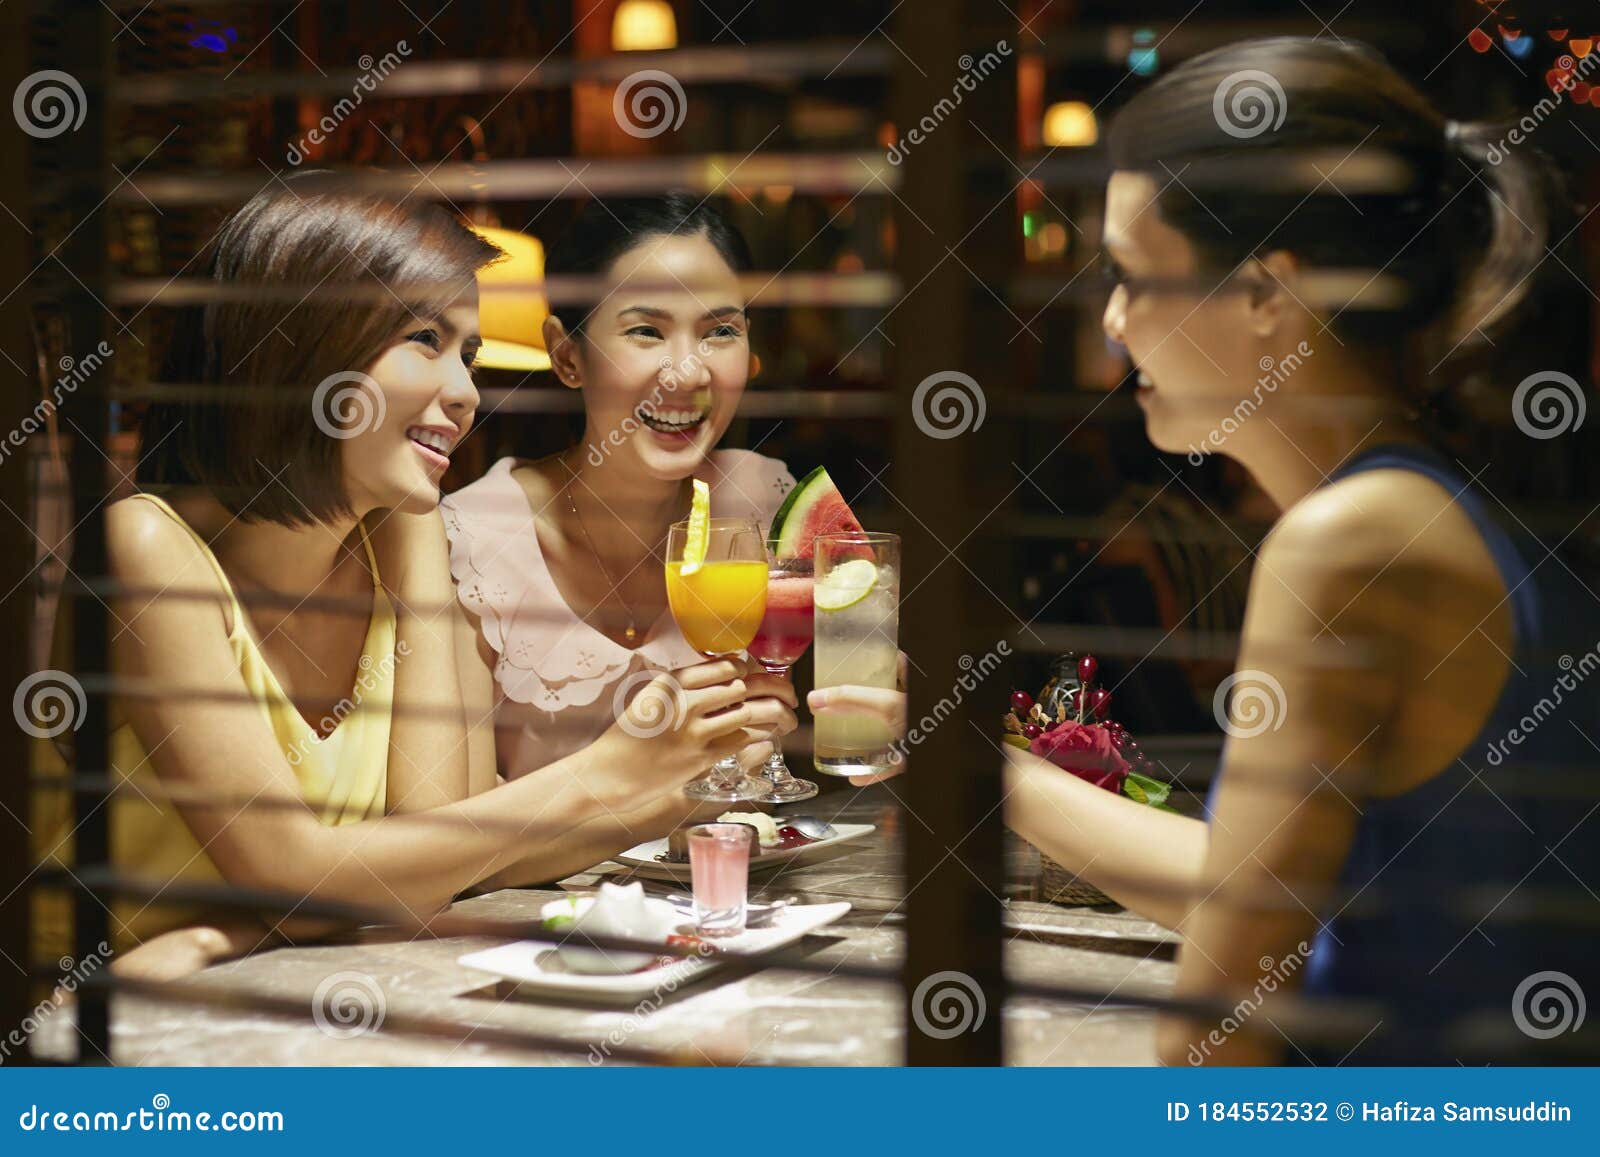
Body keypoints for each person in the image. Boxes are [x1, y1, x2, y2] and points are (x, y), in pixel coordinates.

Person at [1003, 37, 1599, 1064]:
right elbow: (1252, 884)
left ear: (1265, 295)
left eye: (1133, 275)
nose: (1112, 322)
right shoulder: (1413, 501)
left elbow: (1218, 1039)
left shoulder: (1345, 545)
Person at [37, 182, 777, 954]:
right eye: (425, 338)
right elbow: (291, 882)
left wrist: (673, 784)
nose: (465, 392)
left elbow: (438, 856)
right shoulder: (142, 550)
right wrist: (610, 768)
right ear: (304, 344)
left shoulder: (403, 533)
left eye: (469, 355)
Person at [441, 194, 798, 789]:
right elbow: (457, 823)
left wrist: (875, 706)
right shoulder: (470, 543)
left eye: (720, 332)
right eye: (646, 331)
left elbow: (849, 699)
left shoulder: (766, 503)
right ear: (567, 355)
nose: (689, 372)